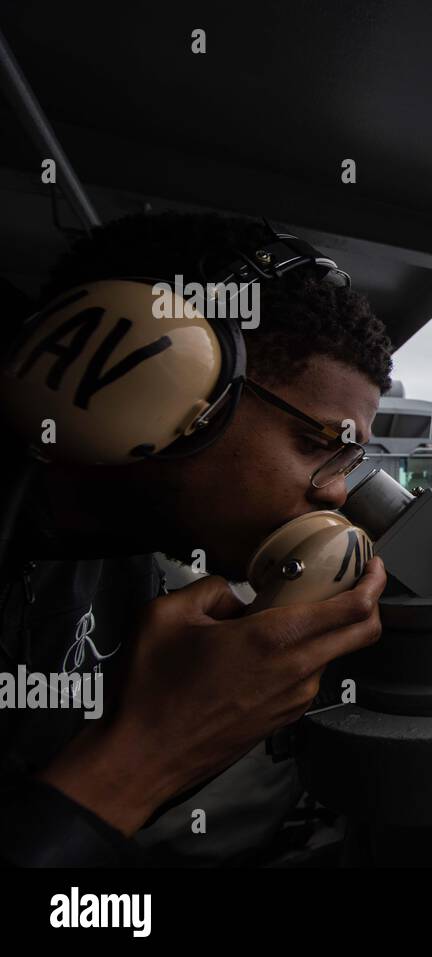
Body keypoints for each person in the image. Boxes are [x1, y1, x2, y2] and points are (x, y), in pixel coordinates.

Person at [0, 211, 390, 865]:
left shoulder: (127, 573)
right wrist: (148, 755)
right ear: (150, 380)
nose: (334, 494)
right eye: (317, 444)